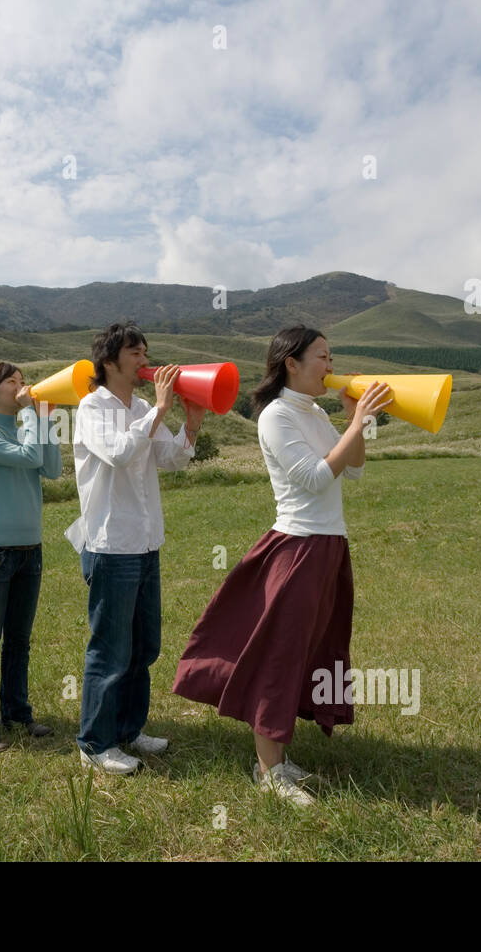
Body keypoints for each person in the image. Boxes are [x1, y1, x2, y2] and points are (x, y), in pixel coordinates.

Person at [172, 325, 390, 805]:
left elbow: (353, 468)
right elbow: (313, 478)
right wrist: (356, 424)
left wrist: (355, 421)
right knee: (279, 656)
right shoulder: (275, 416)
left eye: (331, 357)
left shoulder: (312, 412)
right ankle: (269, 771)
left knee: (308, 650)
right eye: (322, 357)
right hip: (297, 549)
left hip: (328, 546)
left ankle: (279, 760)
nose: (330, 366)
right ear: (291, 362)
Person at [67, 322, 205, 775]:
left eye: (146, 349)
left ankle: (128, 729)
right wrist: (161, 409)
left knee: (144, 645)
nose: (145, 358)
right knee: (110, 648)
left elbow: (171, 460)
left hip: (146, 542)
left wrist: (192, 420)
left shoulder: (144, 405)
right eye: (134, 351)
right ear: (109, 361)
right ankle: (95, 743)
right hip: (111, 543)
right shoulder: (92, 406)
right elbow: (121, 453)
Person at [0, 363, 63, 751]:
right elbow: (27, 457)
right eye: (13, 382)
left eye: (23, 382)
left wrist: (43, 422)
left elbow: (51, 468)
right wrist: (33, 417)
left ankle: (18, 714)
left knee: (19, 641)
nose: (22, 387)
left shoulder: (29, 427)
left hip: (29, 549)